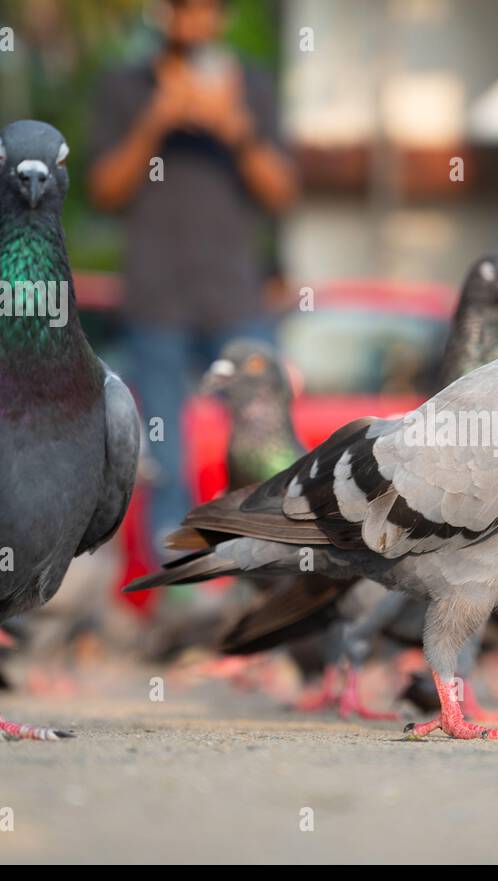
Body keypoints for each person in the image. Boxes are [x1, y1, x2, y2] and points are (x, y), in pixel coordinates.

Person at [89, 0, 298, 553]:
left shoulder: (249, 84)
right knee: (166, 464)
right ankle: (178, 599)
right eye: (183, 7)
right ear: (162, 13)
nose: (195, 18)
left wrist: (237, 128)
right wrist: (156, 118)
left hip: (238, 300)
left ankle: (268, 577)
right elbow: (104, 192)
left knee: (267, 451)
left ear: (222, 18)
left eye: (208, 8)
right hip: (155, 303)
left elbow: (283, 193)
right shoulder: (124, 85)